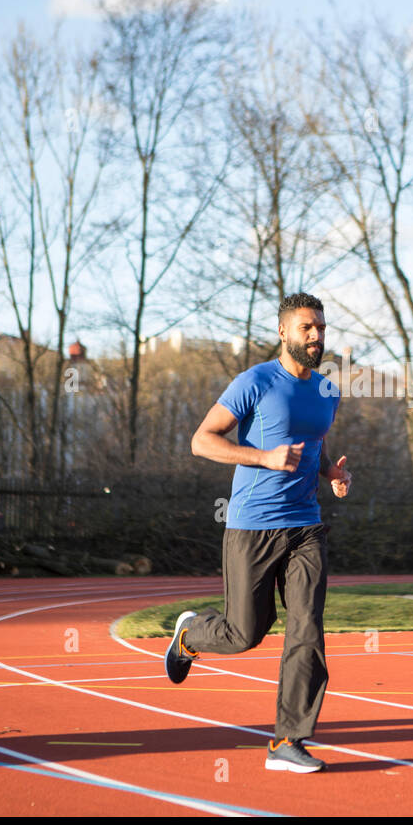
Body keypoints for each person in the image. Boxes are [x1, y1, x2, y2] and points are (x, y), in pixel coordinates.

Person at [167, 292, 352, 773]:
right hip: (253, 526)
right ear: (284, 332)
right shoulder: (254, 381)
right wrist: (264, 457)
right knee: (244, 632)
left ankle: (287, 741)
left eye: (321, 328)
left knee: (307, 628)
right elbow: (202, 440)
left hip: (306, 525)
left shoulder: (328, 391)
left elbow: (315, 442)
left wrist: (331, 472)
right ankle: (191, 633)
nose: (316, 336)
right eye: (307, 328)